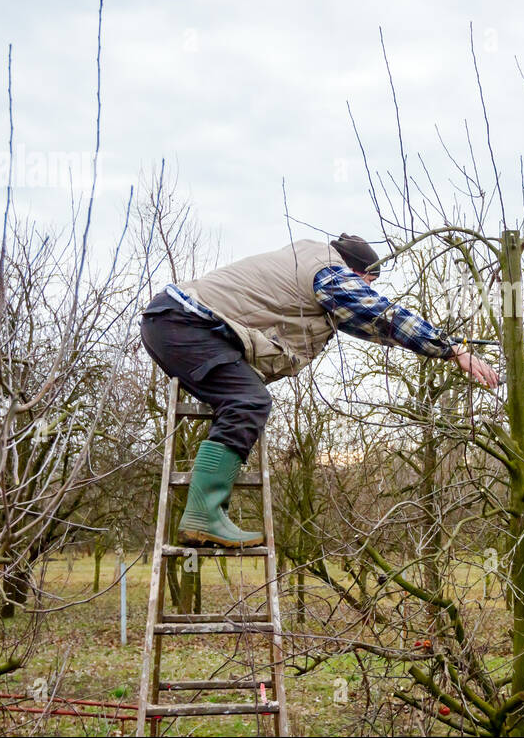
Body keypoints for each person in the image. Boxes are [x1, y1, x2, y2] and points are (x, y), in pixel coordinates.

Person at [139, 233, 499, 547]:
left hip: (175, 322)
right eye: (368, 284)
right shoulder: (328, 269)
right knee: (247, 401)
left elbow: (365, 325)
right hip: (185, 323)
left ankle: (208, 513)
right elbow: (379, 315)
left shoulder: (306, 264)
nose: (368, 290)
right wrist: (453, 351)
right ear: (360, 274)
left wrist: (442, 343)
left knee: (242, 399)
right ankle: (203, 516)